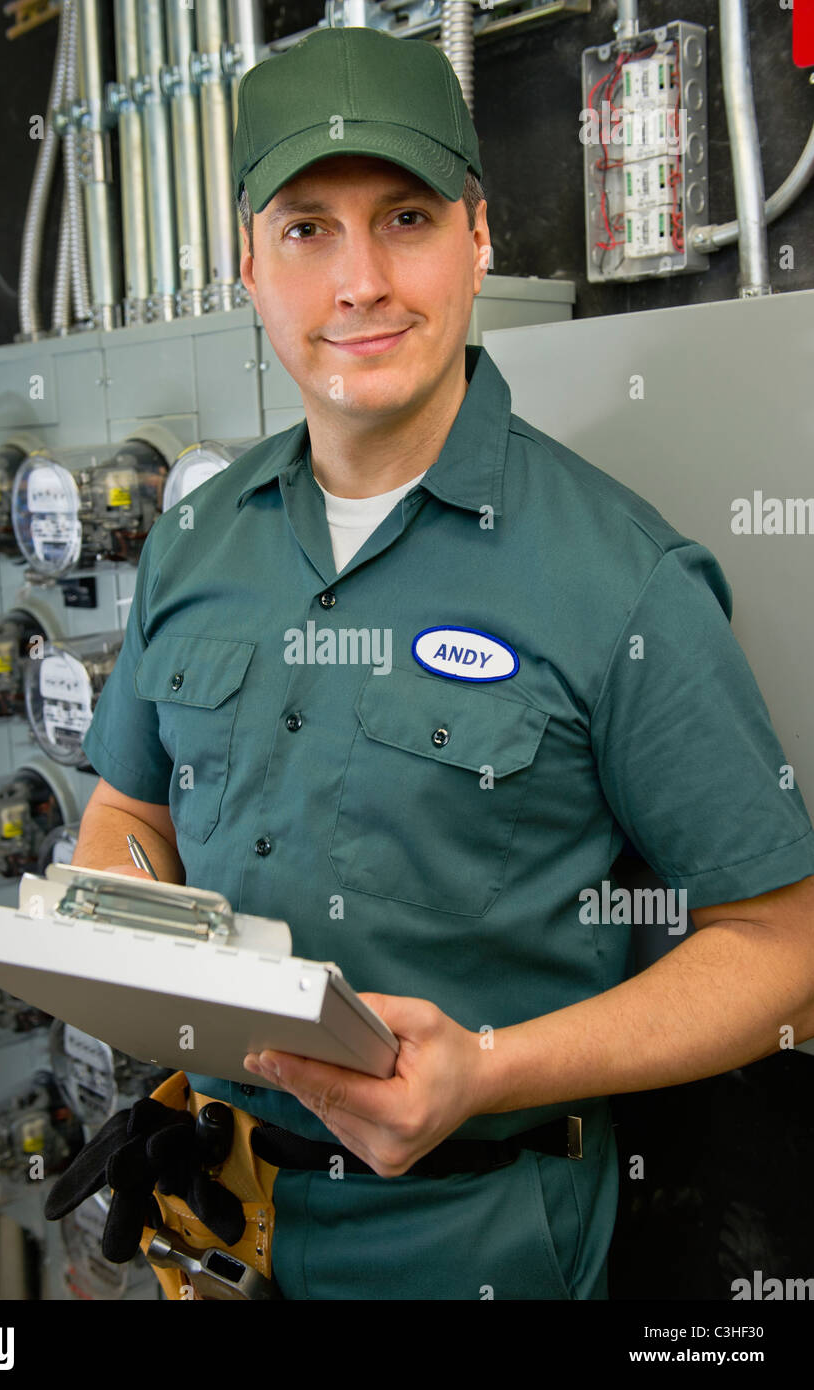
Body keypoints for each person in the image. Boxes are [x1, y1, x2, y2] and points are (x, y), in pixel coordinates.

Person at [74, 25, 814, 1300]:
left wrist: (491, 1067)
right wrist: (131, 943)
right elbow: (129, 812)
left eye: (405, 217)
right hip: (213, 1219)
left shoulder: (620, 580)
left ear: (480, 235)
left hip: (473, 1245)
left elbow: (781, 943)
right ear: (248, 262)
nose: (359, 281)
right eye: (307, 228)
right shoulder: (193, 541)